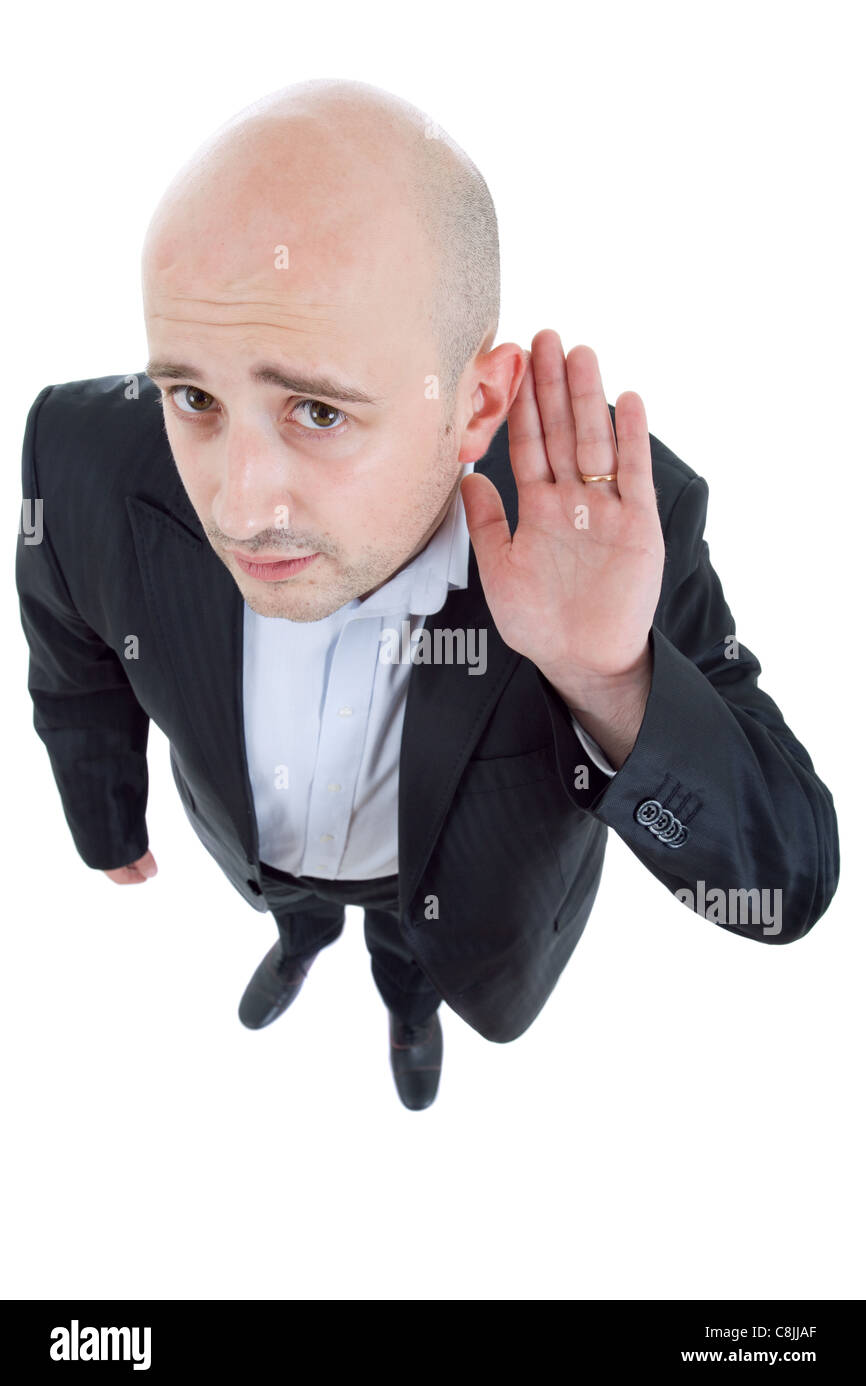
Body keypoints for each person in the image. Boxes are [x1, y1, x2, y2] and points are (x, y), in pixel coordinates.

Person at [15, 78, 839, 1111]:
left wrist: (607, 676)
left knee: (412, 947)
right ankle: (299, 939)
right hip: (255, 841)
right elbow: (69, 654)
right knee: (295, 905)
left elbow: (780, 883)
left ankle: (409, 1003)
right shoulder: (84, 456)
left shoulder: (609, 517)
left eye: (316, 409)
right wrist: (105, 818)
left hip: (454, 883)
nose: (237, 501)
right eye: (194, 396)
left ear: (476, 403)